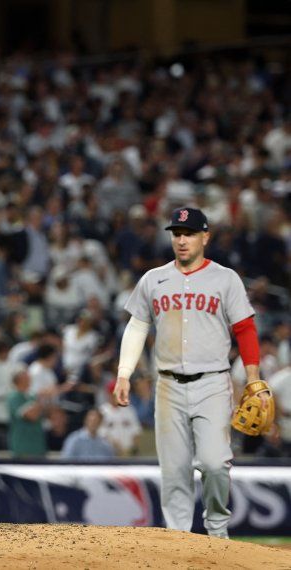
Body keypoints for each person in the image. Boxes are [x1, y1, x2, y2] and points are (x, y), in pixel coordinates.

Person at [113, 207, 269, 539]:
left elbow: (245, 330)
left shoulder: (225, 278)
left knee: (214, 464)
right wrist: (124, 373)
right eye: (177, 234)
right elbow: (137, 327)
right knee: (174, 472)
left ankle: (217, 529)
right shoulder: (153, 279)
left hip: (213, 382)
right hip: (168, 385)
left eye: (190, 234)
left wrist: (253, 377)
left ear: (205, 237)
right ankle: (178, 542)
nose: (182, 241)